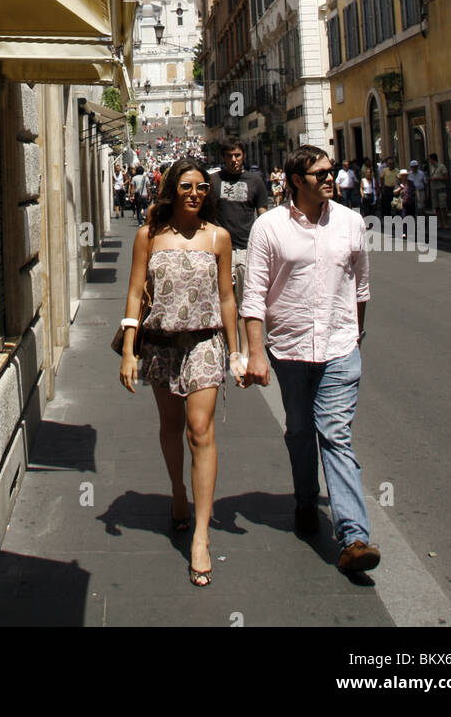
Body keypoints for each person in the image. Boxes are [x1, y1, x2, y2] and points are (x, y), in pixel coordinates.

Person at [242, 145, 379, 575]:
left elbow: (360, 287)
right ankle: (305, 501)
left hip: (340, 347)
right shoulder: (269, 227)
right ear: (295, 180)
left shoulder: (352, 222)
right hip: (290, 348)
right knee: (300, 432)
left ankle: (353, 536)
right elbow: (253, 296)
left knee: (335, 434)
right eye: (319, 173)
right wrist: (254, 353)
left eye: (331, 171)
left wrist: (356, 335)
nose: (329, 178)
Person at [118, 158, 243, 587]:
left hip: (205, 343)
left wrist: (237, 350)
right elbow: (135, 293)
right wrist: (128, 351)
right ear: (173, 189)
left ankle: (201, 538)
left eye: (202, 188)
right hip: (161, 345)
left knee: (199, 429)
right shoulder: (148, 237)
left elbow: (227, 297)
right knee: (171, 426)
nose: (195, 193)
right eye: (188, 186)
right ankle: (177, 493)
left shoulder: (218, 238)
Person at [211, 141, 269, 358]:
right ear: (224, 158)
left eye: (237, 155)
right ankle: (229, 349)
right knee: (224, 302)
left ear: (243, 156)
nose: (234, 160)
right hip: (220, 251)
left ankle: (245, 353)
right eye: (229, 156)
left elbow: (262, 212)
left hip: (246, 249)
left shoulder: (255, 181)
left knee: (244, 305)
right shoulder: (214, 181)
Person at [428, 152, 449, 230]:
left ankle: (446, 223)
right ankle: (440, 223)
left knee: (443, 207)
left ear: (433, 159)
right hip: (434, 188)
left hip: (441, 188)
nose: (429, 161)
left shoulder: (442, 166)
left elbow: (446, 177)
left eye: (430, 159)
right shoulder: (431, 168)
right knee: (436, 207)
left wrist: (437, 179)